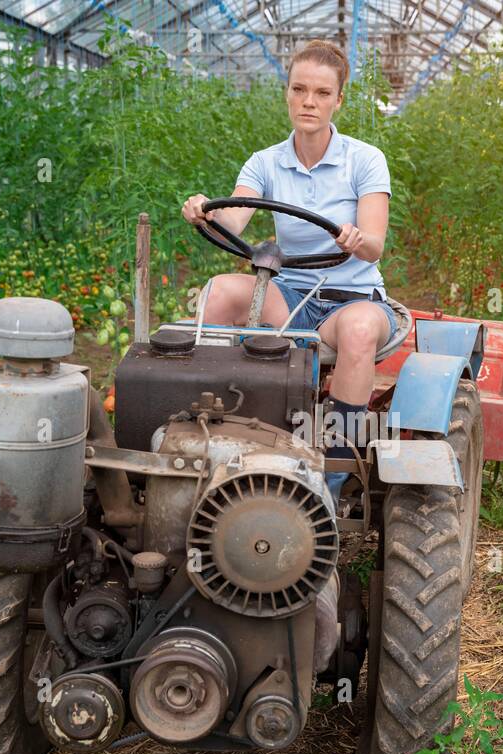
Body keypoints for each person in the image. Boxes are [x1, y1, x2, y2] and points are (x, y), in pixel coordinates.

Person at [181, 39, 395, 504]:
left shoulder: (365, 159)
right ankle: (213, 441)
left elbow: (375, 244)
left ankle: (334, 479)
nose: (309, 101)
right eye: (299, 89)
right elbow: (234, 219)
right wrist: (204, 211)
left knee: (358, 330)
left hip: (351, 300)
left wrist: (357, 240)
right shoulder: (266, 162)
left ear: (339, 99)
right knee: (219, 290)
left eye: (321, 92)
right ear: (287, 93)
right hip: (291, 295)